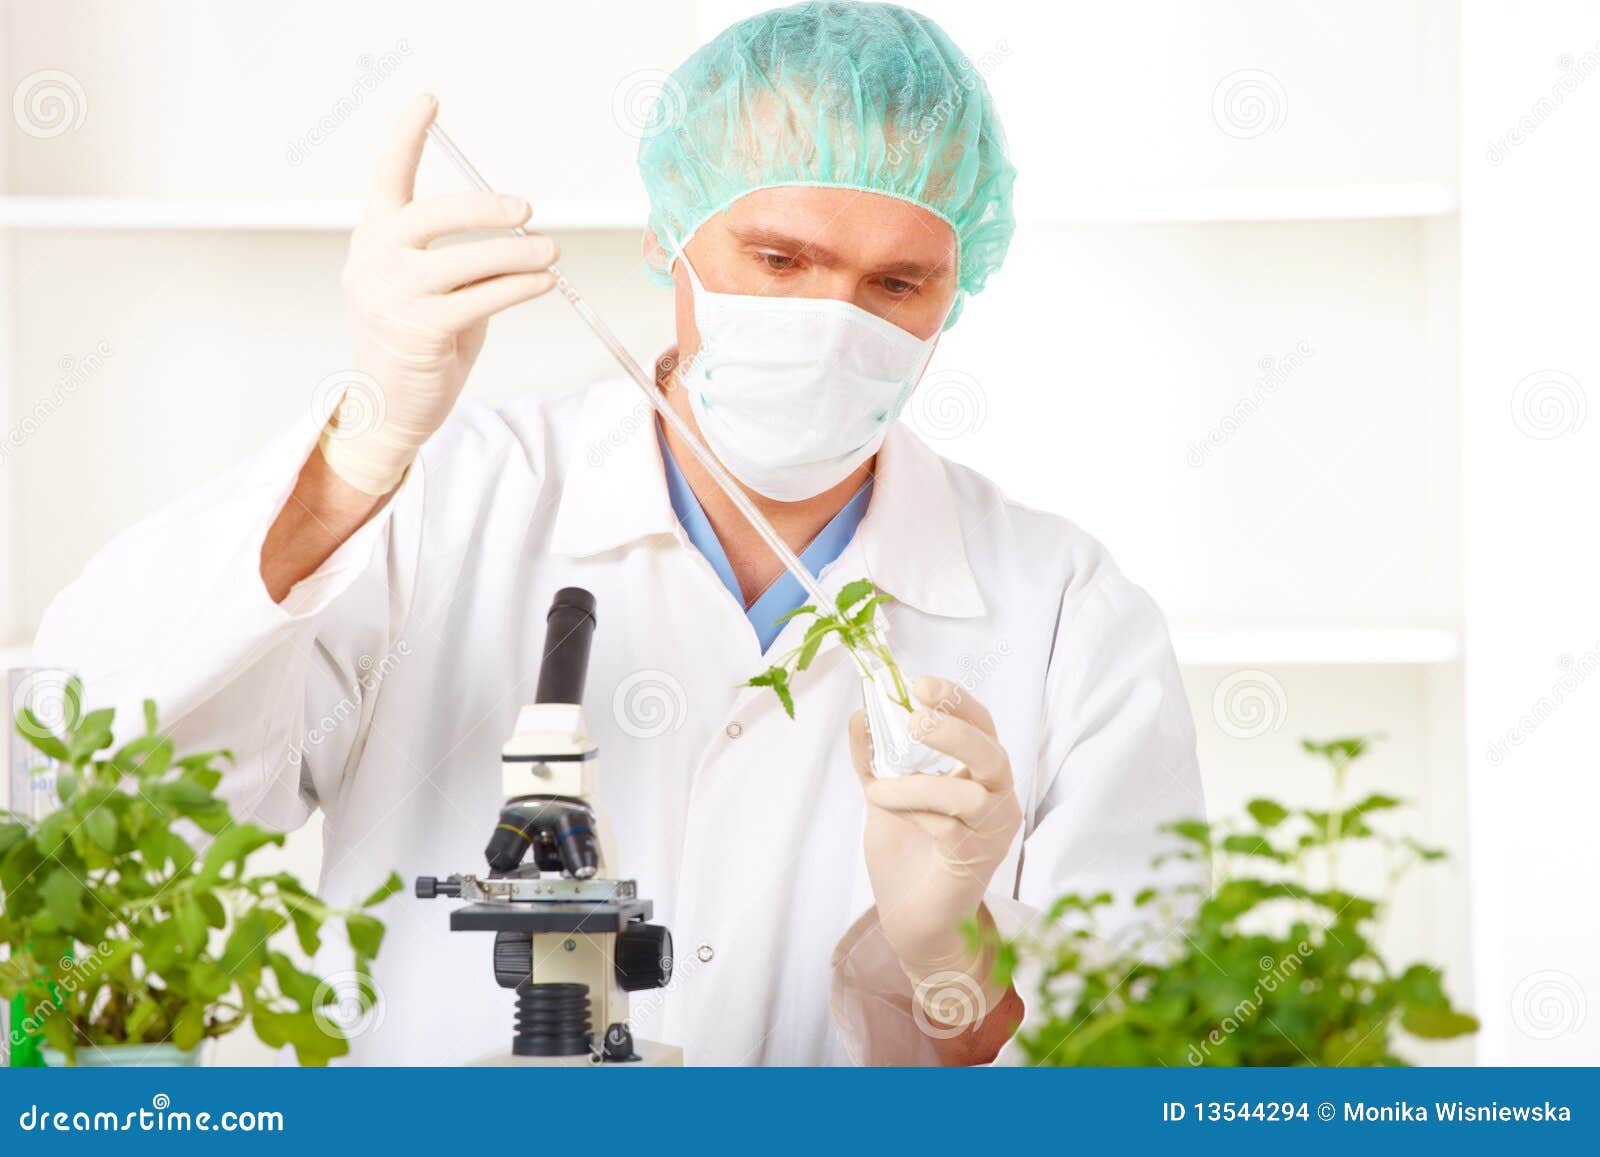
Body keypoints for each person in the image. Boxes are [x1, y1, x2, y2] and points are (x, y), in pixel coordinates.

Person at [33, 1, 1201, 1065]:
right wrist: (356, 456)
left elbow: (1133, 1071)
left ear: (959, 287)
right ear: (671, 238)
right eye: (779, 259)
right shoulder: (443, 498)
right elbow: (92, 776)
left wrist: (945, 948)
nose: (829, 322)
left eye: (896, 284)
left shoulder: (1062, 612)